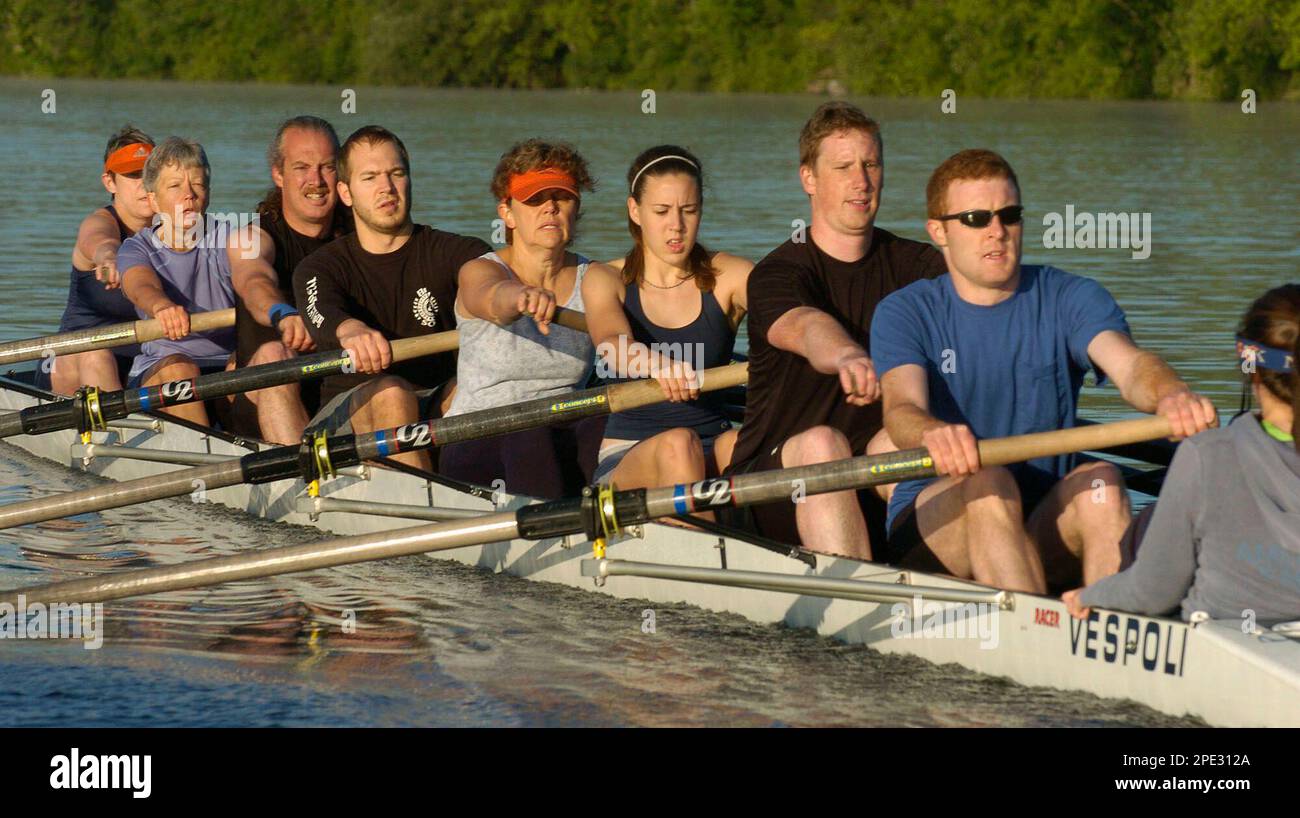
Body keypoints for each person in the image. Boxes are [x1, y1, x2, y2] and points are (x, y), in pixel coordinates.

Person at [870, 148, 1217, 594]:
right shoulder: (906, 311)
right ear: (938, 231)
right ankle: (1038, 637)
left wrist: (1170, 394)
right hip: (938, 521)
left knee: (1101, 481)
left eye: (1009, 215)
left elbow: (1130, 366)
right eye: (976, 218)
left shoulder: (1071, 297)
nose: (998, 232)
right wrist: (931, 432)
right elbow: (901, 409)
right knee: (988, 483)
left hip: (1038, 519)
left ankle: (1113, 629)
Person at [722, 102, 947, 559]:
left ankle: (967, 586)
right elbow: (805, 327)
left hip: (865, 471)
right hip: (772, 487)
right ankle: (858, 607)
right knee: (825, 444)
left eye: (870, 164)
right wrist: (846, 356)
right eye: (843, 167)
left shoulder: (919, 264)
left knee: (913, 439)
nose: (861, 181)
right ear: (809, 178)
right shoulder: (776, 273)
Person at [1064, 285, 1300, 624]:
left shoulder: (1208, 455)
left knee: (1148, 528)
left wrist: (1089, 596)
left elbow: (1151, 593)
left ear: (1250, 366)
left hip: (1223, 638)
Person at [293, 126, 490, 471]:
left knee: (477, 389)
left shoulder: (457, 251)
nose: (387, 188)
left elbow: (492, 276)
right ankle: (436, 511)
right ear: (346, 192)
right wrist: (351, 330)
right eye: (369, 178)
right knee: (393, 393)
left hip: (434, 399)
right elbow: (321, 310)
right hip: (346, 417)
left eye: (396, 174)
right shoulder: (319, 267)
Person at [438, 139, 605, 499]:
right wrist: (520, 296)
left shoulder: (594, 278)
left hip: (563, 428)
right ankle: (554, 532)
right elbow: (490, 297)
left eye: (562, 197)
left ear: (576, 208)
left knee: (608, 422)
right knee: (530, 431)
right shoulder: (480, 269)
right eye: (534, 199)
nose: (550, 208)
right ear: (507, 213)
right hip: (479, 436)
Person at [583, 145, 751, 501]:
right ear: (635, 210)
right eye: (661, 211)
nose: (676, 225)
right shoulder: (604, 277)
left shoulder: (732, 276)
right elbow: (612, 344)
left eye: (688, 210)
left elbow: (786, 316)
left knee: (742, 442)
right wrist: (655, 363)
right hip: (629, 453)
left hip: (714, 442)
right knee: (679, 444)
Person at [226, 115, 351, 444]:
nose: (317, 180)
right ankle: (302, 481)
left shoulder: (357, 238)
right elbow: (253, 280)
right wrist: (282, 313)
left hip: (337, 393)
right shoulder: (253, 238)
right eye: (301, 167)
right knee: (273, 354)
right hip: (261, 398)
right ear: (278, 174)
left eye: (327, 166)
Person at [118, 137, 238, 427]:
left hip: (227, 365)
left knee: (256, 359)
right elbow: (139, 284)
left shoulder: (232, 239)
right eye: (175, 186)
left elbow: (253, 276)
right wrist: (161, 307)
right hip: (165, 367)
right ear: (153, 200)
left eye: (197, 185)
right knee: (181, 369)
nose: (189, 195)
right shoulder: (136, 248)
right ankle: (210, 462)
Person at [48, 126, 156, 394]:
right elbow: (99, 241)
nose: (144, 183)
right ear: (110, 182)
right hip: (76, 362)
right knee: (96, 355)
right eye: (132, 175)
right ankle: (113, 433)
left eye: (150, 174)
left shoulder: (176, 230)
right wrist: (109, 258)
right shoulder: (100, 222)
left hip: (142, 362)